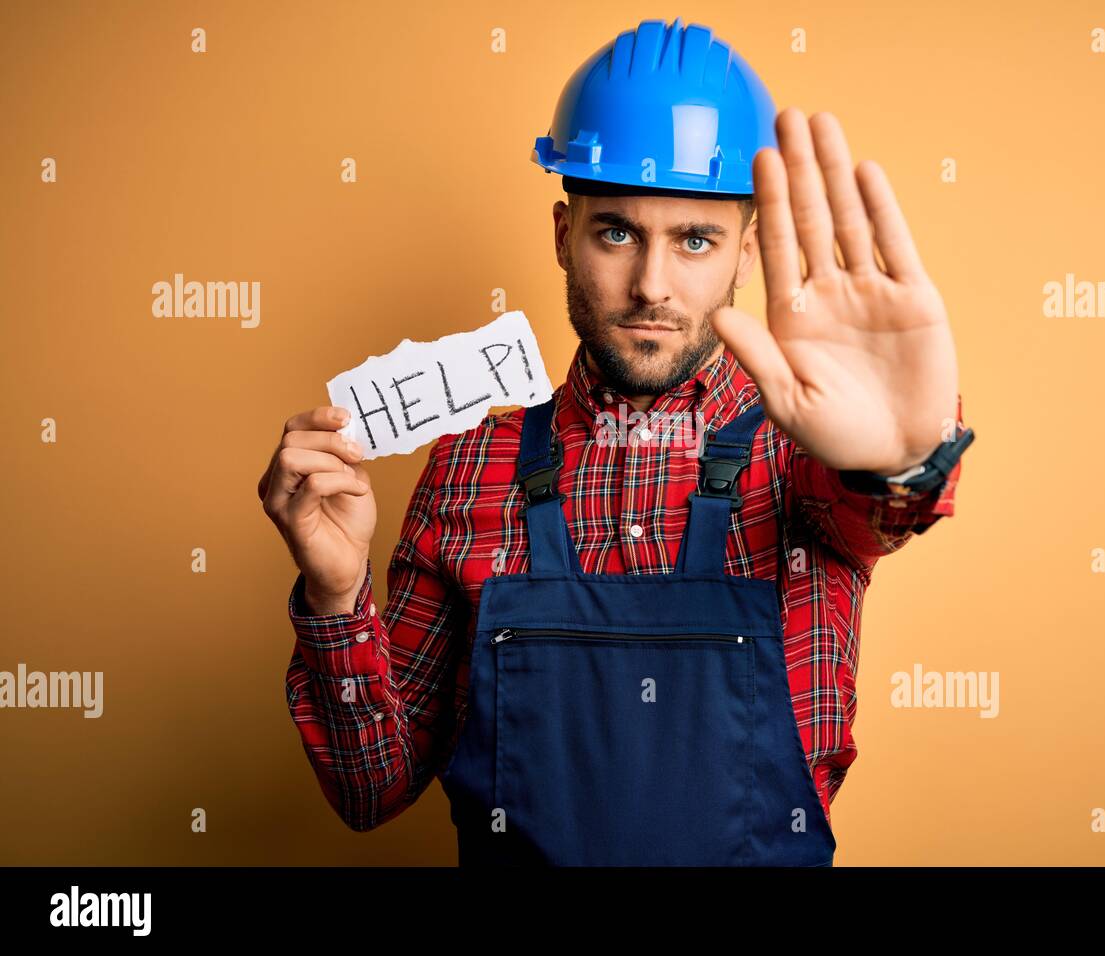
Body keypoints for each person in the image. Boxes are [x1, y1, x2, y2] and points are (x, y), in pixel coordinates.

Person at [258, 17, 973, 866]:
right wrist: (335, 596)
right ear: (564, 237)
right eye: (617, 233)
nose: (651, 286)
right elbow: (371, 791)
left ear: (746, 250)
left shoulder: (803, 457)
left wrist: (900, 452)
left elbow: (883, 509)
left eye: (695, 240)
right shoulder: (467, 469)